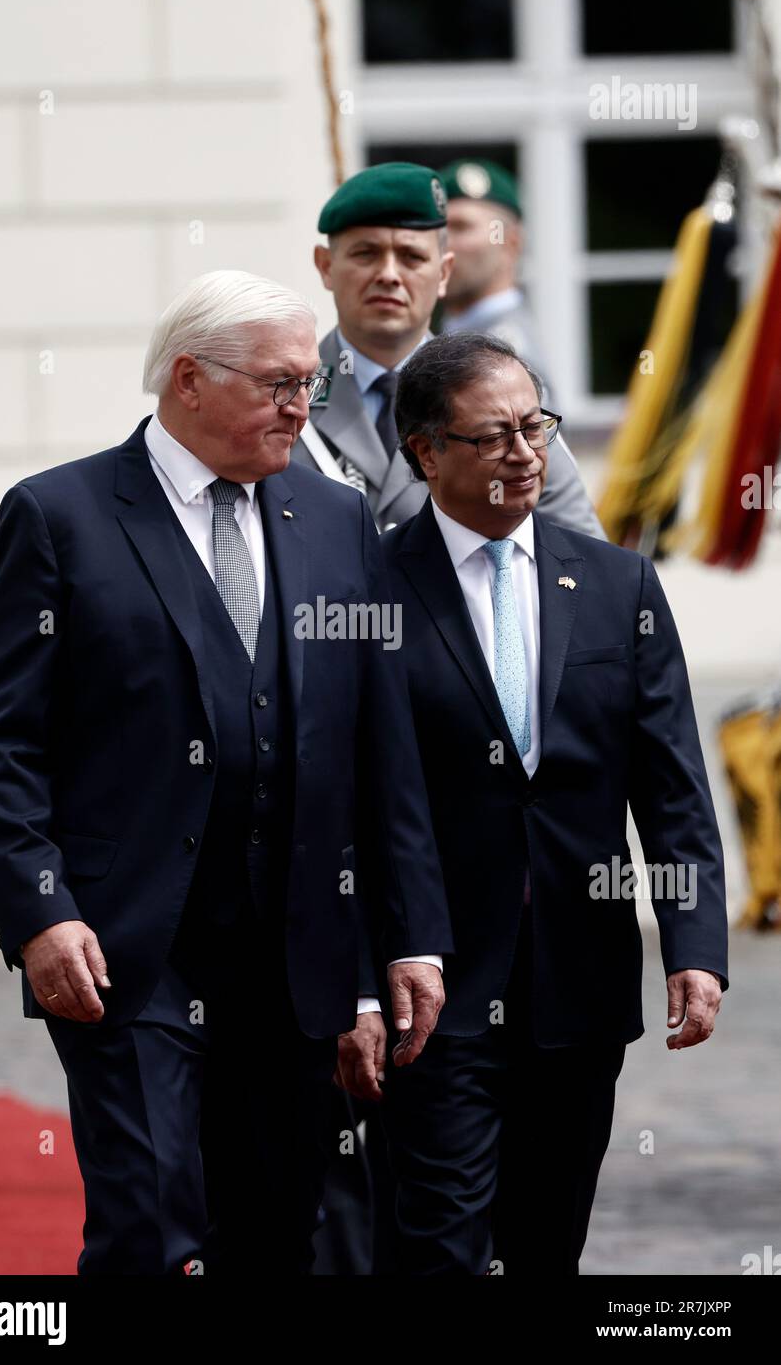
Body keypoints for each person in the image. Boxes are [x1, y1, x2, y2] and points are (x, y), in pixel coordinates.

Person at [0, 269, 452, 1276]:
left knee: (273, 1226)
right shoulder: (60, 517)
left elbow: (378, 750)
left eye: (308, 387)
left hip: (295, 949)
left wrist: (404, 942)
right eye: (277, 385)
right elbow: (1, 743)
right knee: (149, 1226)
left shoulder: (334, 517)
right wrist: (40, 911)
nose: (299, 410)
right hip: (126, 948)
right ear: (188, 379)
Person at [337, 330, 729, 1275]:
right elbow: (341, 806)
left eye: (536, 427)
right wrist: (354, 974)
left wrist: (694, 946)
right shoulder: (365, 589)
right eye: (494, 436)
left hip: (578, 979)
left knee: (548, 1242)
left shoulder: (617, 584)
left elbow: (668, 781)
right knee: (437, 1239)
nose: (525, 453)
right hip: (430, 980)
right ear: (426, 453)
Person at [291, 160, 602, 537]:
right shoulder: (286, 395)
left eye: (412, 257)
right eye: (365, 254)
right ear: (325, 266)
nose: (389, 274)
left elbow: (580, 552)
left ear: (444, 273)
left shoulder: (495, 390)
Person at [439, 157, 605, 539]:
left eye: (462, 227)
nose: (444, 244)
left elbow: (544, 492)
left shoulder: (505, 353)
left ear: (510, 242)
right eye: (438, 229)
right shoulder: (458, 339)